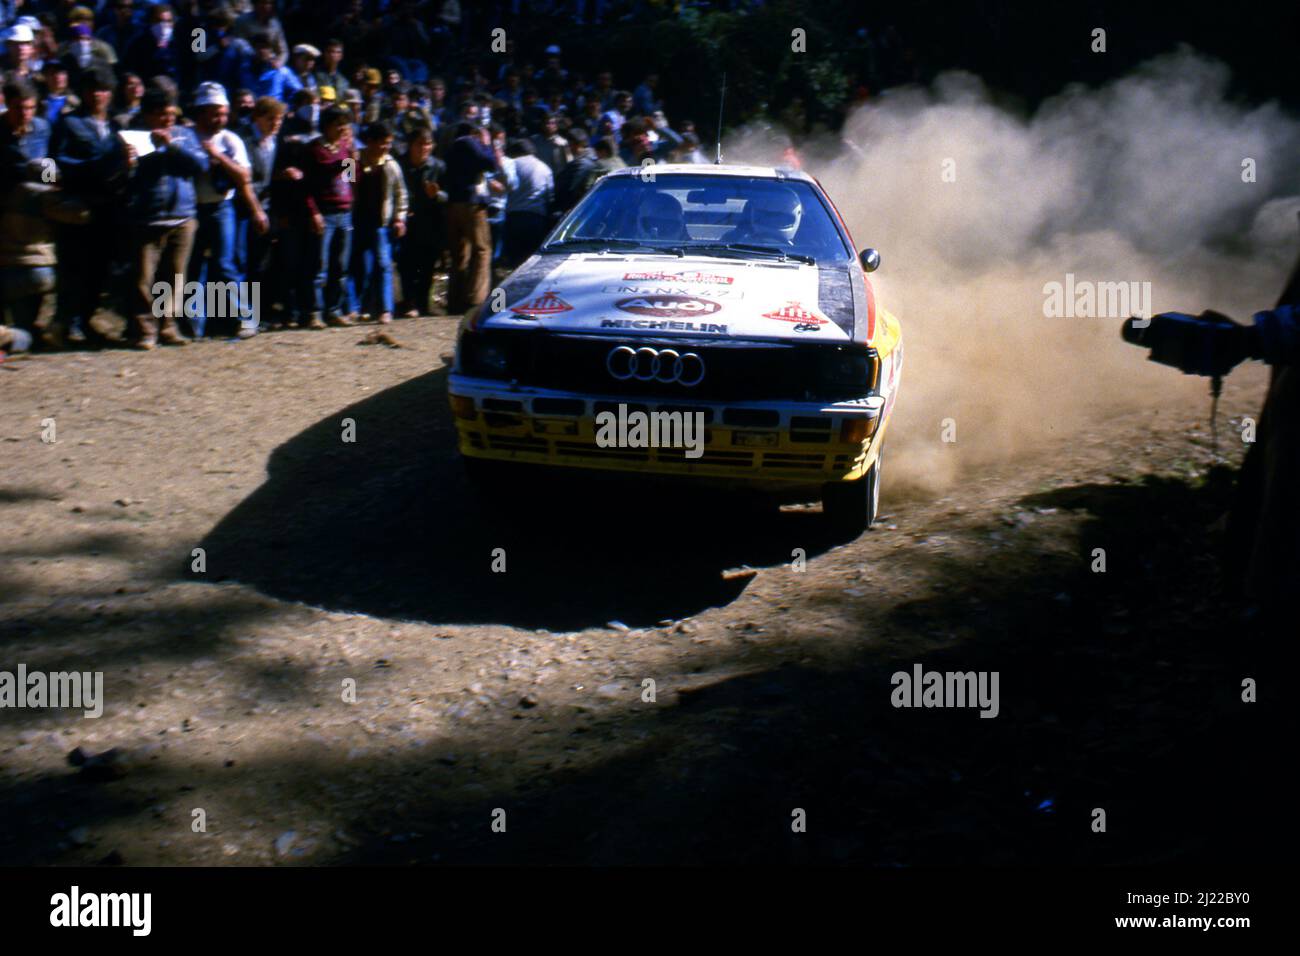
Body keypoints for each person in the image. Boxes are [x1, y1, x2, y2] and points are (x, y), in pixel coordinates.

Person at [49, 65, 132, 348]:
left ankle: (86, 321)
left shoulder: (117, 126)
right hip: (80, 207)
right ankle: (67, 325)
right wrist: (98, 166)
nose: (99, 95)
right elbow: (60, 163)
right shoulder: (68, 123)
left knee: (100, 269)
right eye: (93, 89)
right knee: (75, 269)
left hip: (111, 208)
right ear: (84, 93)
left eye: (104, 90)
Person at [123, 86, 209, 349]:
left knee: (175, 278)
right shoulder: (132, 138)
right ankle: (145, 330)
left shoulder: (184, 135)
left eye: (171, 113)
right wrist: (126, 164)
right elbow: (122, 179)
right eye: (161, 114)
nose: (168, 119)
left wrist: (171, 147)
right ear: (148, 114)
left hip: (182, 216)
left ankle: (168, 326)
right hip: (146, 217)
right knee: (143, 279)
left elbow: (200, 165)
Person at [188, 81, 262, 339]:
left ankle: (246, 317)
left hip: (222, 208)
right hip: (190, 209)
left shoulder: (230, 140)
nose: (220, 118)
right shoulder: (186, 135)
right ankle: (193, 325)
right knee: (192, 266)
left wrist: (217, 156)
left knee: (225, 264)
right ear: (202, 111)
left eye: (223, 113)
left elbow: (244, 175)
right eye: (215, 113)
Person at [348, 120, 407, 324]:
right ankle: (354, 308)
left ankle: (385, 309)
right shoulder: (352, 161)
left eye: (388, 143)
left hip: (380, 223)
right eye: (382, 142)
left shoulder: (391, 165)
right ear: (370, 141)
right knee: (357, 265)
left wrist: (400, 218)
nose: (386, 147)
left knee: (383, 265)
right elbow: (344, 188)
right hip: (356, 221)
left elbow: (401, 194)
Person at [303, 103, 356, 326]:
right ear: (326, 126)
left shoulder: (345, 149)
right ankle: (314, 311)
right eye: (338, 125)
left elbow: (351, 179)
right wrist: (313, 212)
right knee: (319, 266)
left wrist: (352, 157)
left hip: (345, 212)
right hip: (324, 213)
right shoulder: (315, 149)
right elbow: (306, 185)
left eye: (345, 125)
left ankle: (334, 309)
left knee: (340, 266)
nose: (342, 129)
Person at [443, 119, 500, 315]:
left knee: (460, 253)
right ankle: (475, 300)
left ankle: (454, 300)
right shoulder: (470, 143)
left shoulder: (450, 148)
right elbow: (491, 164)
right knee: (482, 250)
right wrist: (486, 145)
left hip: (454, 203)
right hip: (472, 204)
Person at [397, 124, 445, 317]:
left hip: (430, 223)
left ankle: (423, 303)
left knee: (427, 265)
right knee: (406, 264)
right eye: (420, 144)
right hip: (405, 221)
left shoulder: (438, 166)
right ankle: (409, 302)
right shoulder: (400, 164)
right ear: (410, 145)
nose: (424, 148)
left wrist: (437, 194)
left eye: (428, 144)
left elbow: (449, 195)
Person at [503, 138, 552, 266]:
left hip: (513, 217)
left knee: (514, 261)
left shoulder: (511, 164)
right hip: (536, 217)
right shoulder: (544, 167)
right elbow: (550, 196)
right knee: (530, 262)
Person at [554, 126, 597, 212]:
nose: (569, 148)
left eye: (570, 144)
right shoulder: (584, 160)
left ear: (576, 144)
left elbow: (570, 189)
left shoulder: (583, 163)